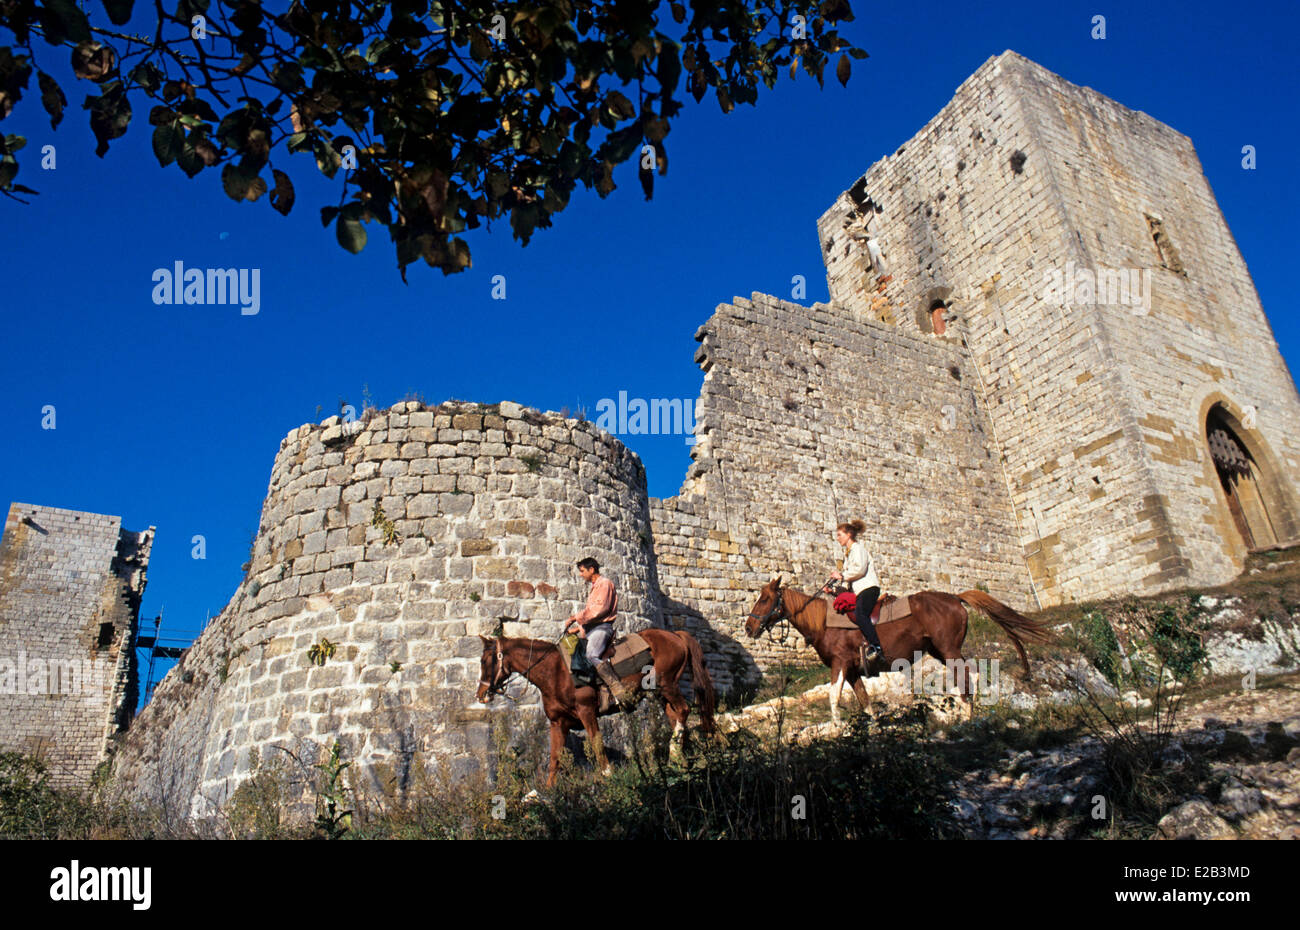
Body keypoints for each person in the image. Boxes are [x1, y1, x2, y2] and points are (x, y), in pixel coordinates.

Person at [566, 557, 634, 706]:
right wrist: (576, 629)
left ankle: (617, 688)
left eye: (582, 571)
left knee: (591, 654)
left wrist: (574, 618)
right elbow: (592, 617)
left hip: (602, 629)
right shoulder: (596, 587)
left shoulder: (604, 584)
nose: (581, 574)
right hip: (593, 629)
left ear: (592, 570)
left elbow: (598, 611)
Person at [829, 520, 885, 665]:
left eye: (840, 535)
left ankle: (876, 646)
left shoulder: (858, 549)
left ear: (849, 535)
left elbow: (859, 569)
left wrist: (841, 576)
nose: (837, 538)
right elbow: (849, 581)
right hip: (860, 591)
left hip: (869, 589)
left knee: (860, 614)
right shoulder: (848, 554)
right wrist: (833, 590)